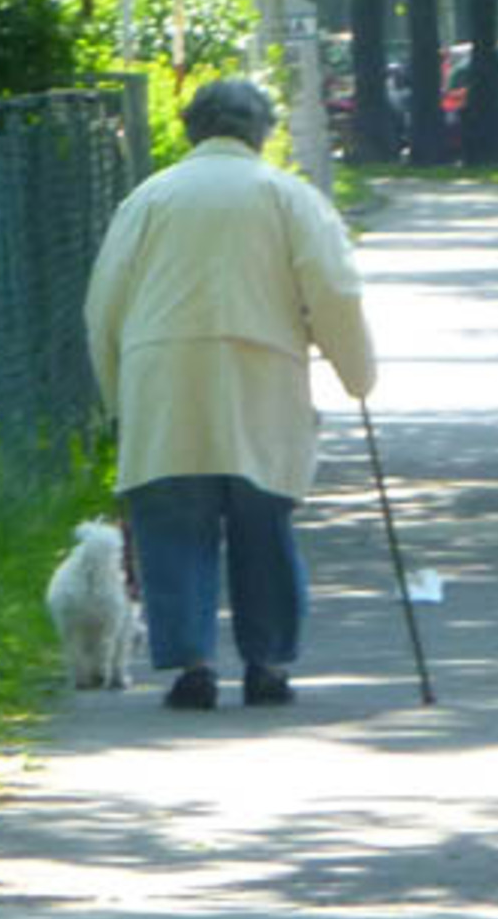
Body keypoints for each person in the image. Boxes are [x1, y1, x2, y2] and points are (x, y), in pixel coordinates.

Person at [85, 79, 377, 709]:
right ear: (262, 131)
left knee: (172, 523)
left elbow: (103, 303)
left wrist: (118, 397)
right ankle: (266, 662)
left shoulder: (150, 198)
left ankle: (190, 662)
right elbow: (333, 288)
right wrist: (357, 373)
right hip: (261, 378)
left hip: (162, 380)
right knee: (263, 523)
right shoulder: (287, 197)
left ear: (193, 128)